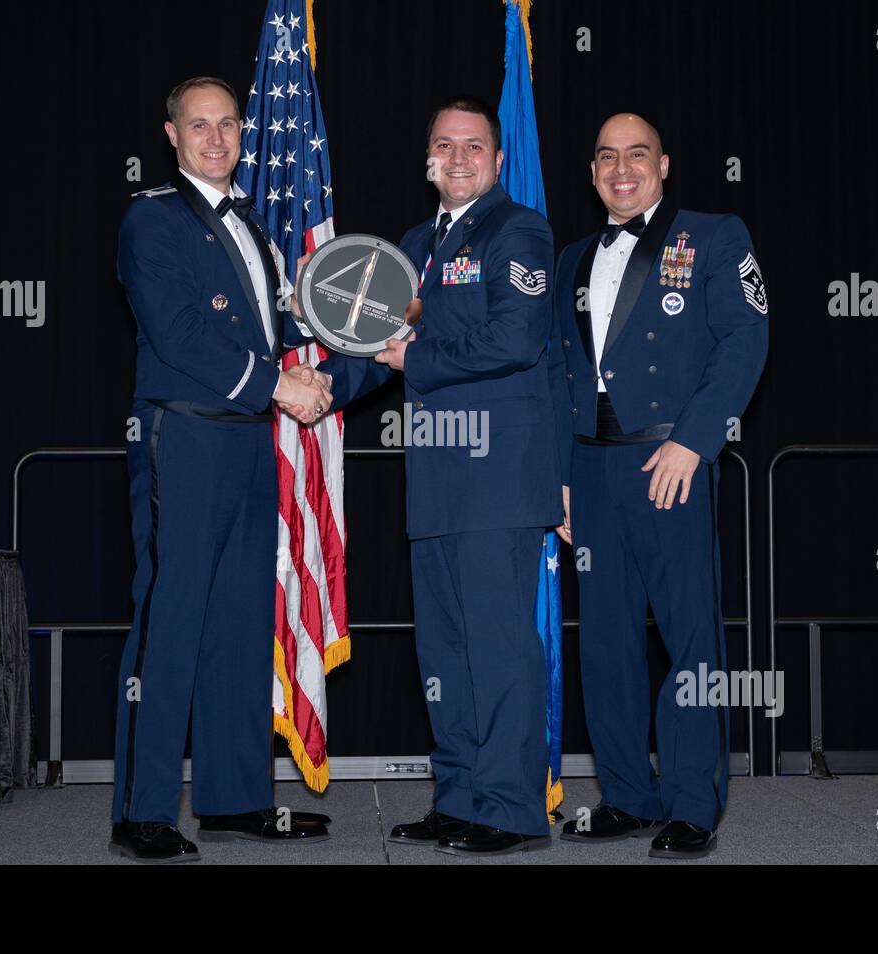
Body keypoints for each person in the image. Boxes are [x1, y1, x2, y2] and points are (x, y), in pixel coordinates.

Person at [325, 96, 561, 855]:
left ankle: (513, 810)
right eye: (444, 146)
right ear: (427, 158)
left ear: (496, 159)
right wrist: (325, 384)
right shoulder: (414, 245)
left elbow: (515, 340)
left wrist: (411, 359)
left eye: (473, 146)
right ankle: (461, 795)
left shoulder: (518, 230)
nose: (458, 158)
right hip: (434, 476)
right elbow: (380, 346)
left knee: (498, 650)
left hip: (498, 475)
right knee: (447, 653)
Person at [110, 76, 336, 863]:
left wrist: (336, 354)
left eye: (228, 124)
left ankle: (235, 798)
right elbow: (179, 337)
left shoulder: (253, 225)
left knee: (242, 620)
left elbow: (283, 327)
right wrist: (281, 384)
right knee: (171, 620)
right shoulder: (152, 220)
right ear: (170, 135)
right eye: (197, 126)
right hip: (186, 439)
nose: (215, 139)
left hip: (247, 440)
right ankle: (140, 811)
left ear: (244, 132)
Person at [549, 113, 768, 858]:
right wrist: (561, 478)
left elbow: (745, 339)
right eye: (606, 155)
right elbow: (557, 373)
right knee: (605, 643)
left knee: (689, 642)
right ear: (592, 171)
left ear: (663, 164)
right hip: (590, 468)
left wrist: (695, 441)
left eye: (636, 154)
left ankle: (690, 806)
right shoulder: (572, 256)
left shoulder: (714, 235)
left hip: (667, 464)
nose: (621, 167)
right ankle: (627, 796)